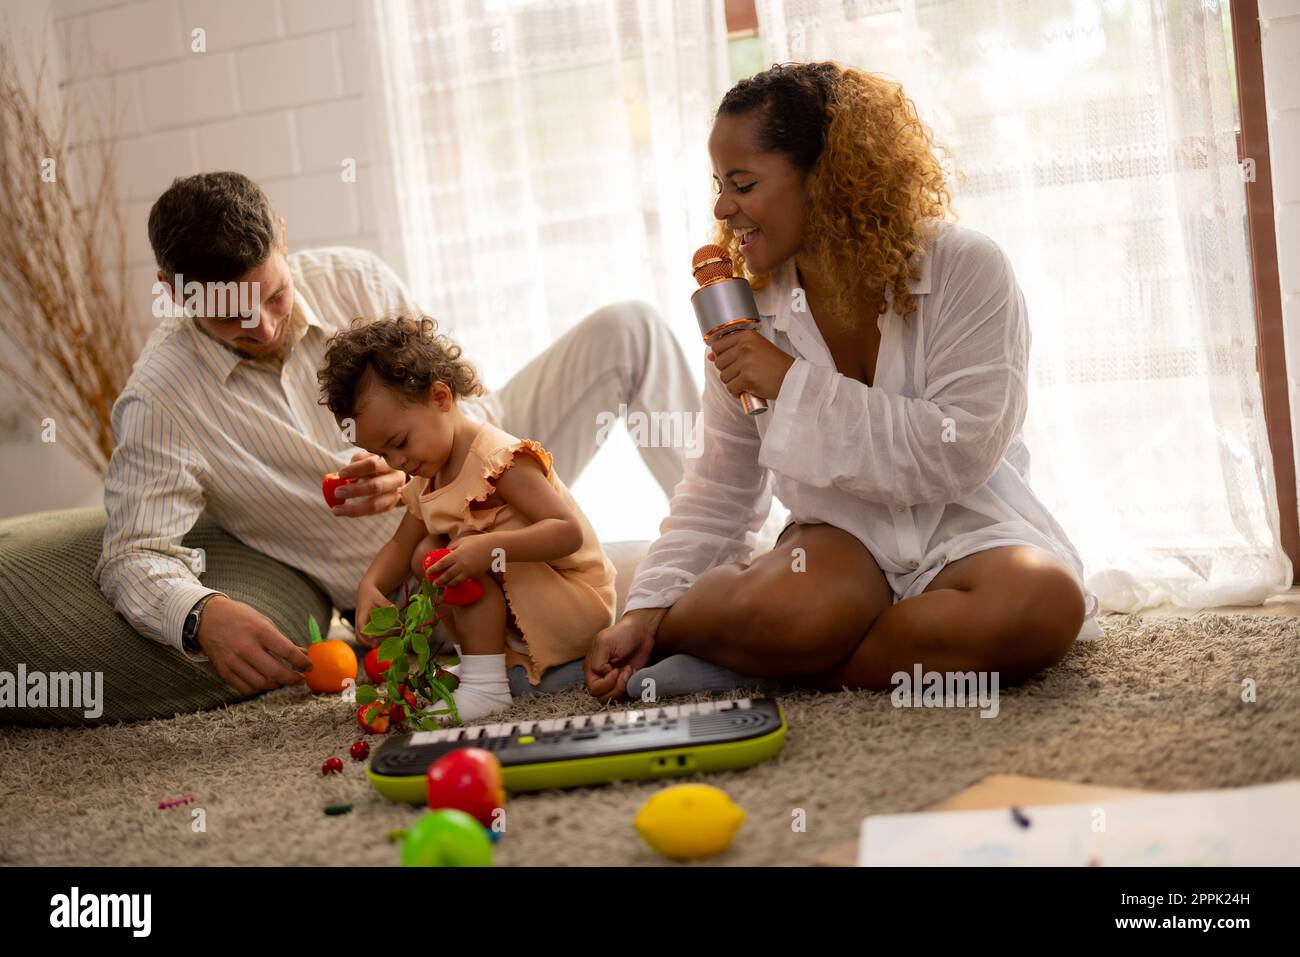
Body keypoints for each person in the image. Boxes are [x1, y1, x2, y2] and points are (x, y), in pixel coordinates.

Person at [585, 62, 1102, 703]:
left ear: (826, 180)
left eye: (742, 183)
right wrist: (643, 612)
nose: (722, 208)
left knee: (1042, 604)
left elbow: (961, 448)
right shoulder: (746, 313)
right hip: (836, 543)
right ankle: (771, 640)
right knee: (799, 610)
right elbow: (719, 491)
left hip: (965, 531)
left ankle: (776, 664)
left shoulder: (966, 267)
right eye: (719, 185)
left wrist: (790, 381)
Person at [94, 171, 696, 698]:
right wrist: (200, 614)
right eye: (233, 318)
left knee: (629, 326)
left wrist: (422, 458)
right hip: (436, 579)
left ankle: (714, 534)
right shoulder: (159, 400)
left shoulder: (354, 278)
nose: (267, 326)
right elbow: (132, 554)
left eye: (276, 294)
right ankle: (687, 579)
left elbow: (465, 398)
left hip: (495, 462)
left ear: (281, 233)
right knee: (646, 603)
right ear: (175, 294)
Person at [318, 315, 616, 720]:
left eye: (400, 443)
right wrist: (370, 585)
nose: (398, 462)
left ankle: (487, 687)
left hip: (572, 604)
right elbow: (400, 544)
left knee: (455, 554)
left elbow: (567, 533)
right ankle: (482, 664)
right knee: (426, 549)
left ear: (440, 398)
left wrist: (487, 547)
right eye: (384, 455)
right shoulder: (428, 473)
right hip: (521, 604)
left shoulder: (498, 461)